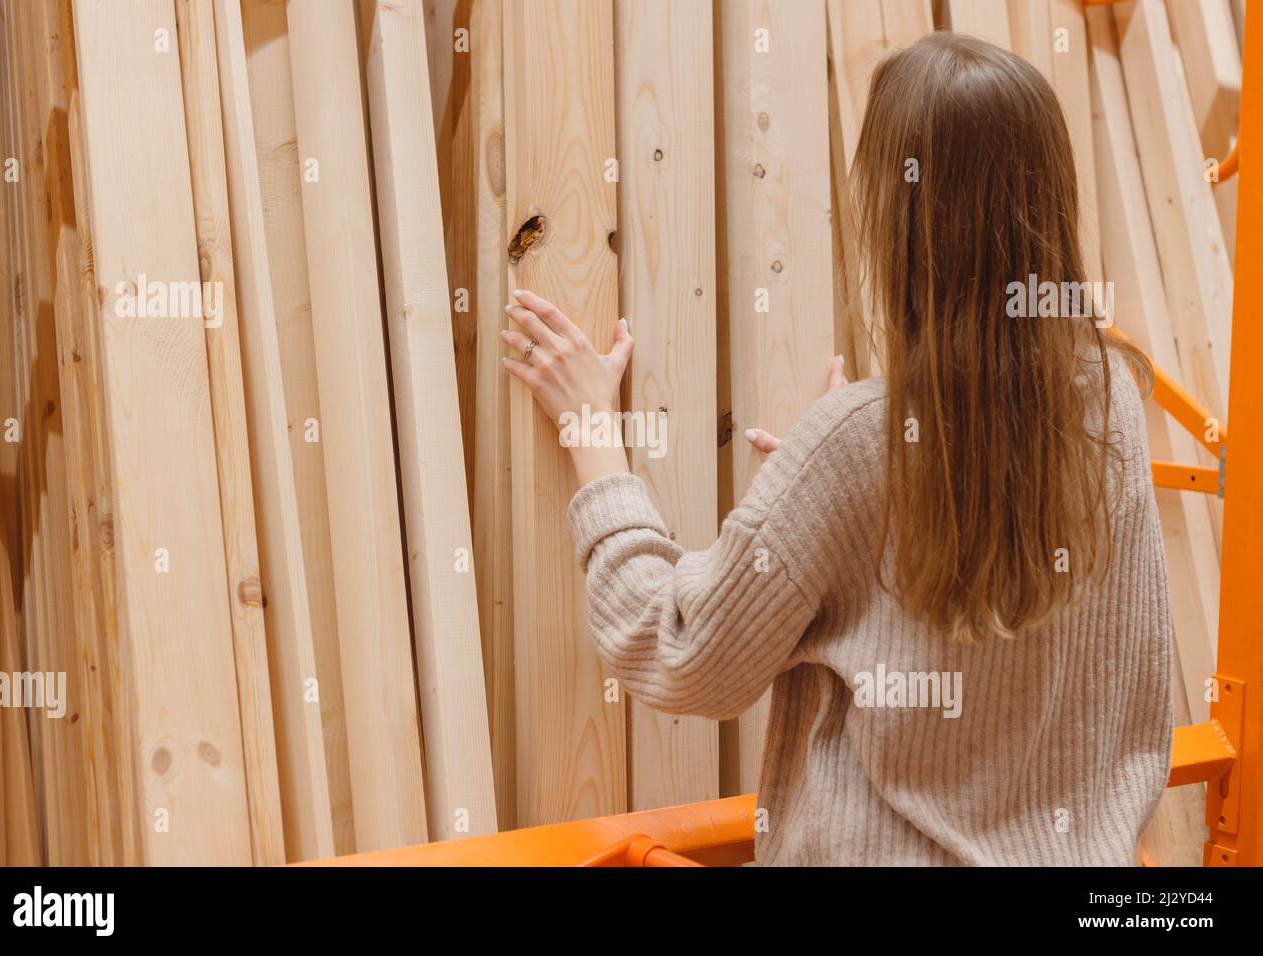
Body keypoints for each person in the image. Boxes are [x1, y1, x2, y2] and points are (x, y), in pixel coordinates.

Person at [501, 32, 1172, 865]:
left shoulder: (857, 443)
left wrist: (595, 435)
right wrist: (840, 503)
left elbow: (677, 650)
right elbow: (1119, 691)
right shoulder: (1110, 406)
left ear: (898, 220)